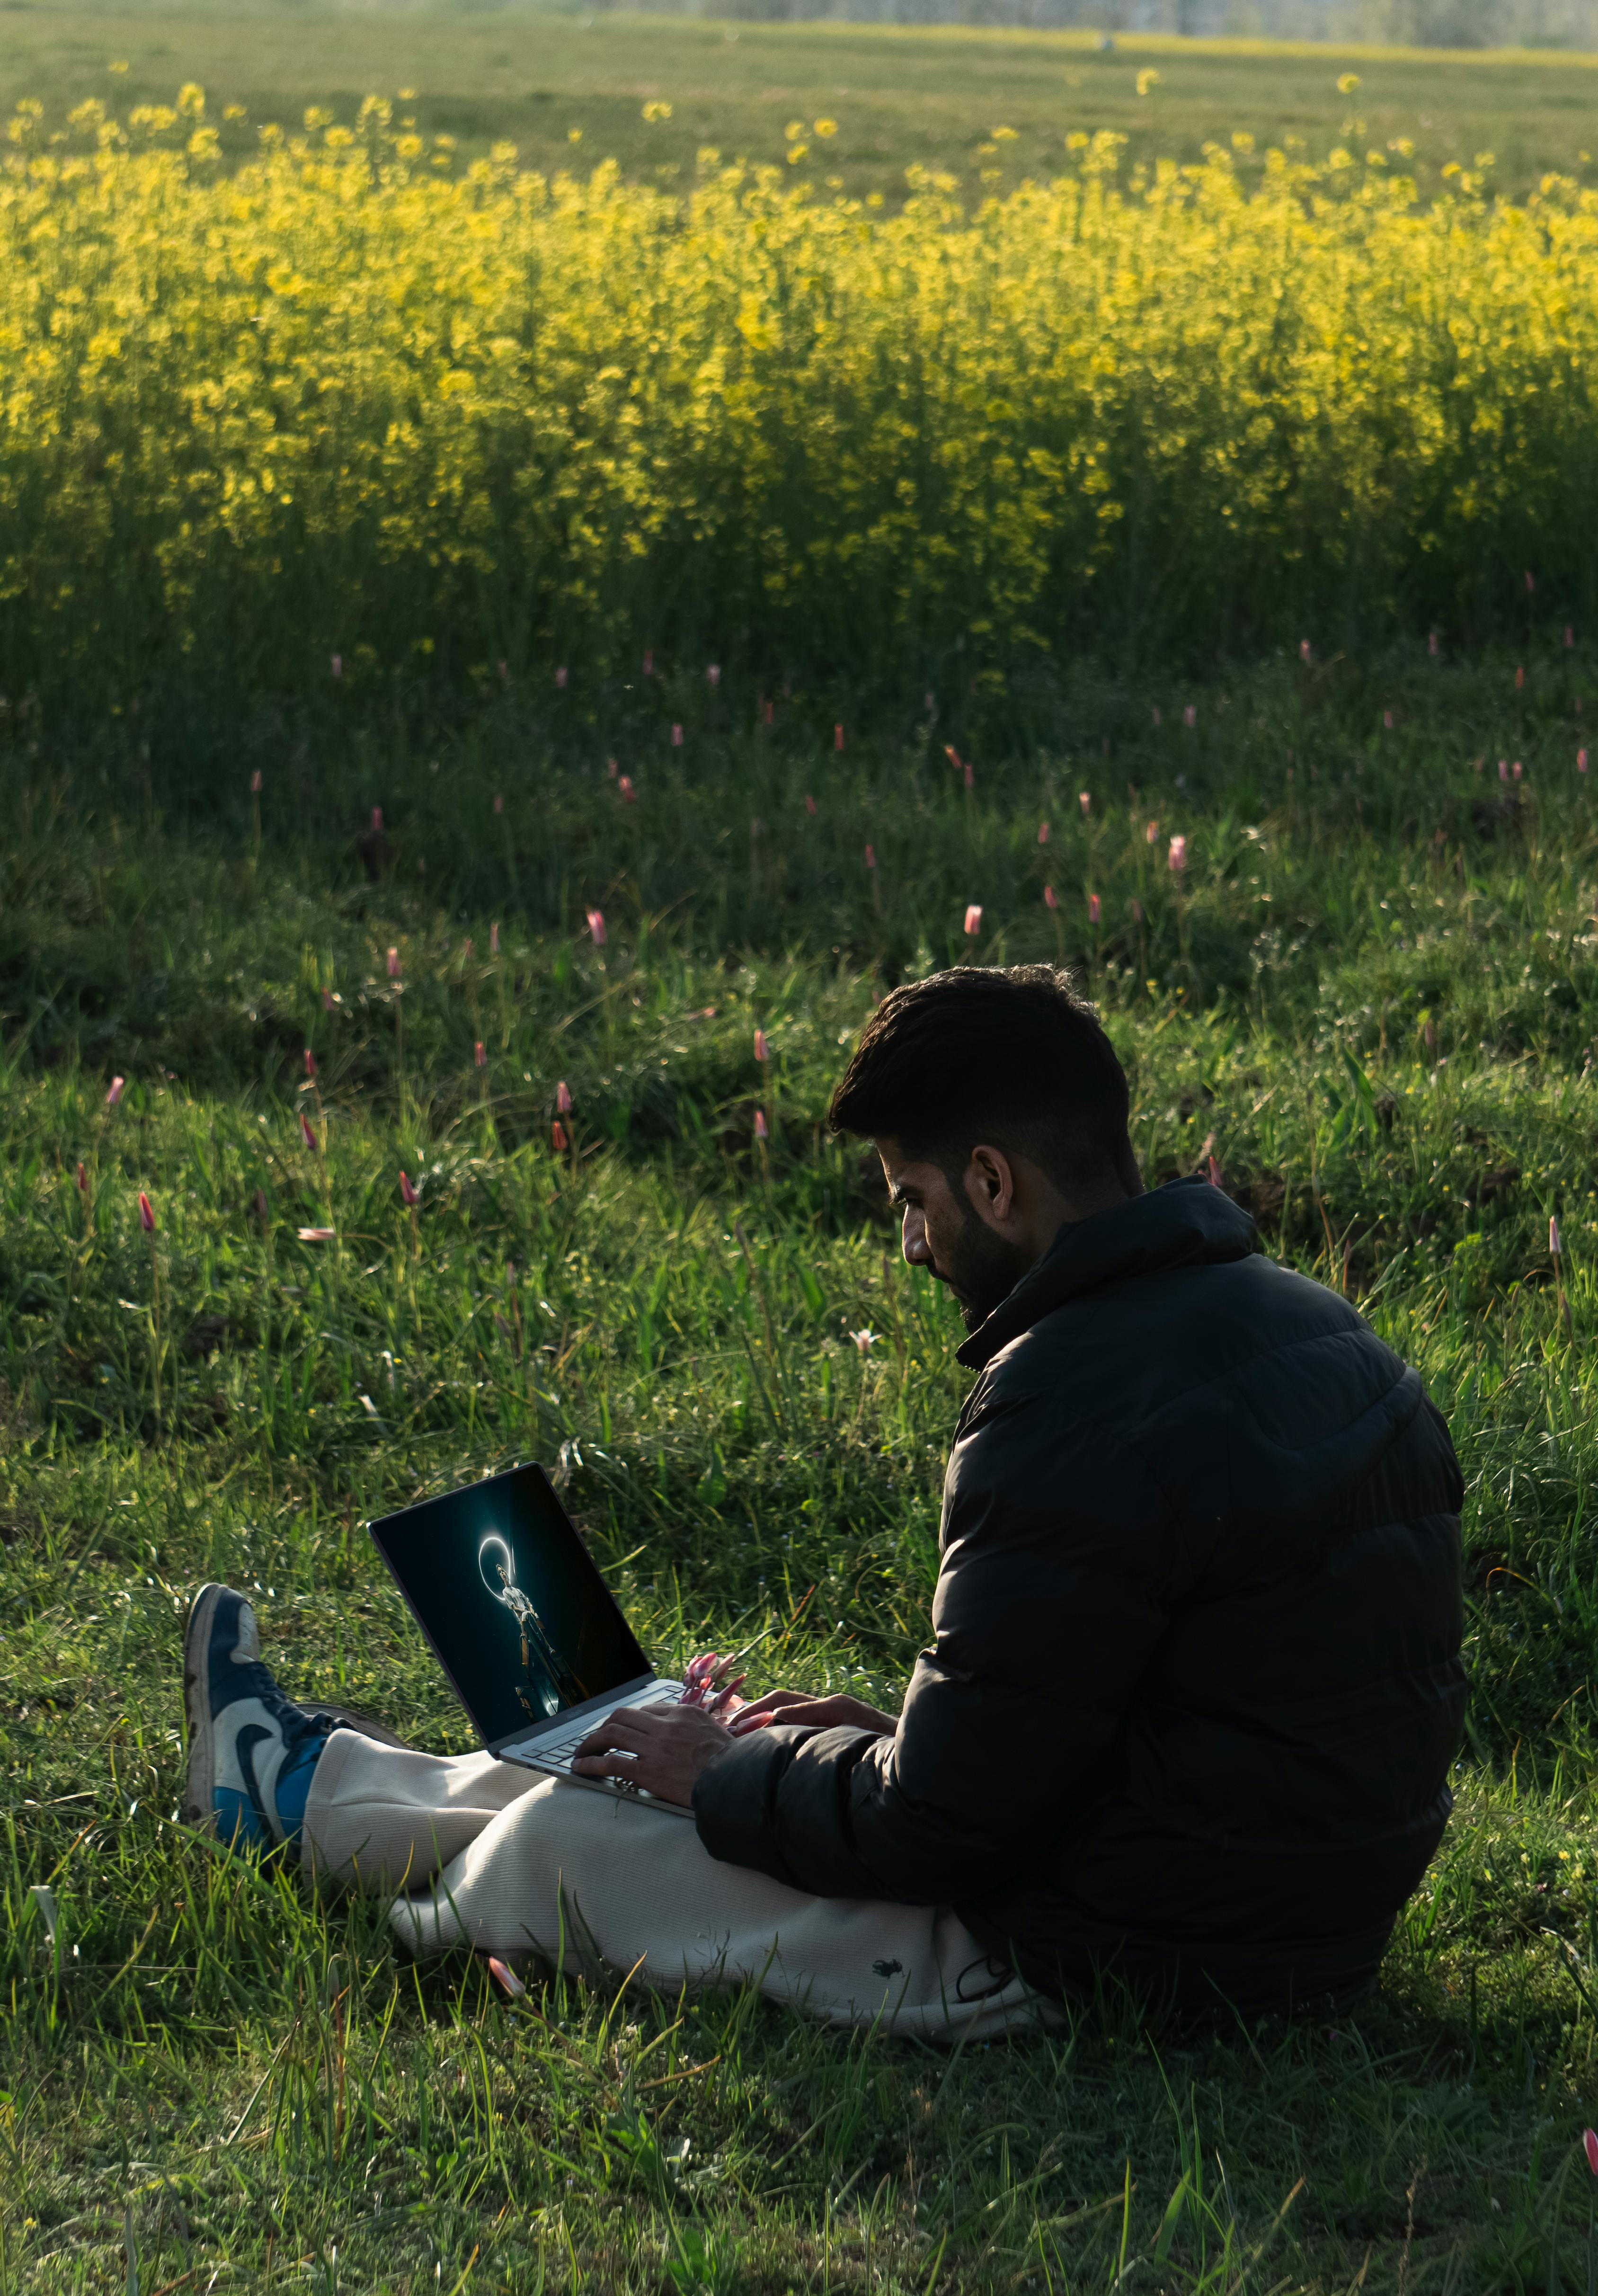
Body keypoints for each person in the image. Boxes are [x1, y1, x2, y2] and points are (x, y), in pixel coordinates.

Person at [182, 965, 1466, 2029]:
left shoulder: (1068, 1396)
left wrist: (745, 1771)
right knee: (652, 1770)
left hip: (1124, 1960)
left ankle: (301, 1806)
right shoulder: (1319, 1329)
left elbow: (939, 1834)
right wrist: (854, 1748)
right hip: (1289, 1925)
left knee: (586, 1836)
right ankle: (294, 1780)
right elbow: (1146, 1716)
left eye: (915, 1201)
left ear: (994, 1182)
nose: (912, 1242)